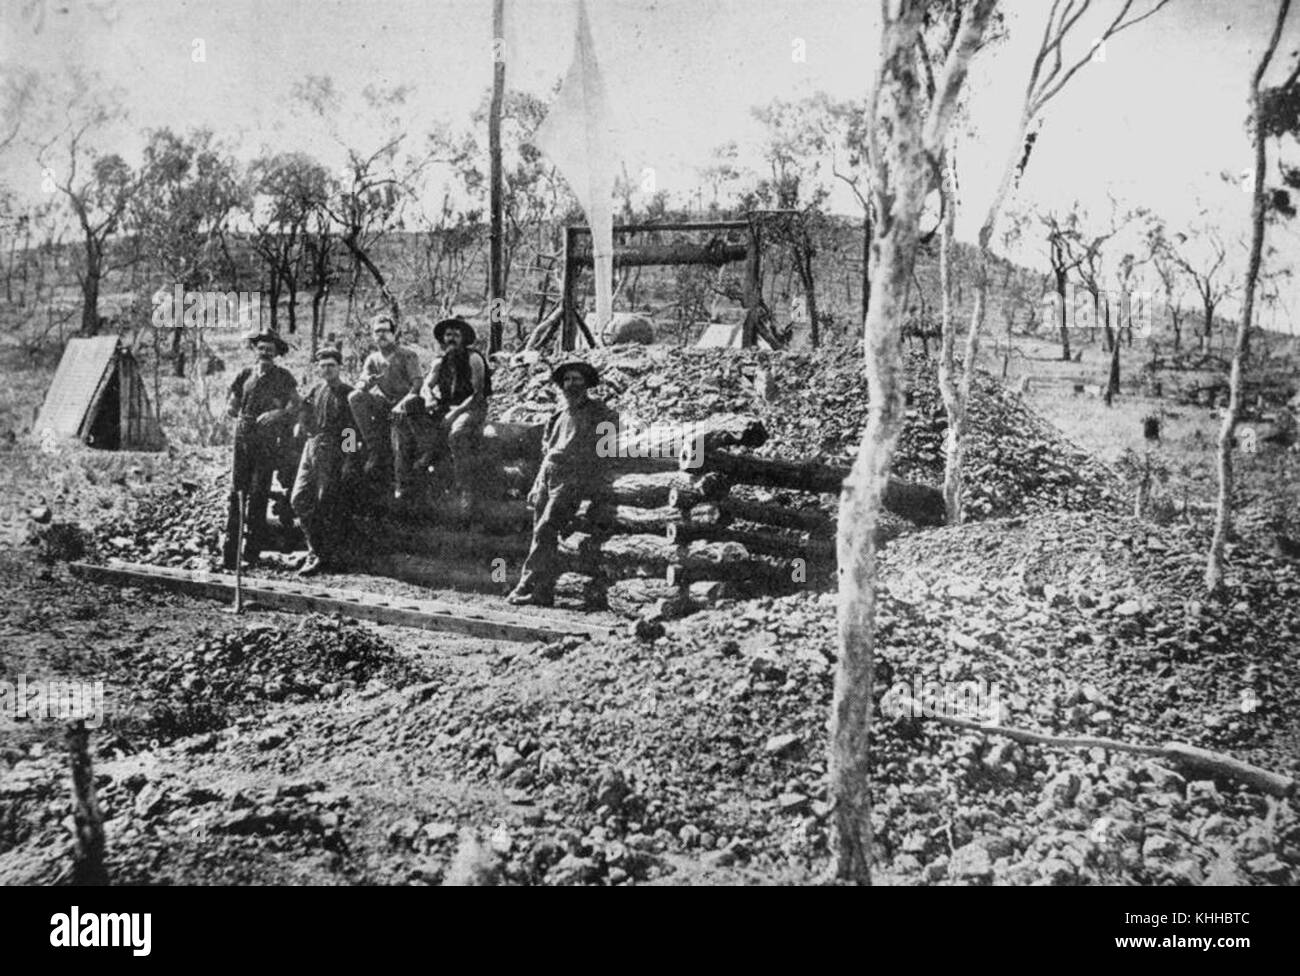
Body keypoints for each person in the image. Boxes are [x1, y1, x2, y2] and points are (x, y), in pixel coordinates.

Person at [507, 361, 618, 607]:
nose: (571, 385)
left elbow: (607, 450)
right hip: (549, 474)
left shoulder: (601, 413)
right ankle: (541, 592)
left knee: (547, 528)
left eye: (577, 379)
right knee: (539, 530)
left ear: (587, 383)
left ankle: (528, 584)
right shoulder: (557, 416)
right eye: (567, 380)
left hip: (574, 476)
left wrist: (586, 477)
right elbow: (547, 453)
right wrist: (537, 484)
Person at [224, 330, 300, 569]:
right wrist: (236, 413)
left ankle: (252, 552)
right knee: (237, 493)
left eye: (270, 349)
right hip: (243, 438)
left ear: (277, 353)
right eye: (261, 348)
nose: (265, 353)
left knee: (258, 494)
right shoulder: (245, 374)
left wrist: (278, 414)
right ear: (255, 350)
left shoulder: (283, 377)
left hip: (266, 442)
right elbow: (232, 403)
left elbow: (296, 405)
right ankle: (230, 554)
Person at [407, 316, 491, 503]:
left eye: (456, 335)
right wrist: (428, 396)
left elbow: (478, 394)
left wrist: (454, 413)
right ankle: (430, 449)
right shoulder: (440, 361)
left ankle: (465, 490)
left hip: (471, 407)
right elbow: (427, 385)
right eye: (448, 335)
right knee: (411, 404)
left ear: (464, 338)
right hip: (446, 406)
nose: (451, 339)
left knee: (457, 434)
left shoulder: (474, 358)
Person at [291, 348, 357, 576]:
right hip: (311, 446)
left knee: (325, 503)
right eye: (323, 365)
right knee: (299, 498)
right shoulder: (316, 390)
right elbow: (304, 409)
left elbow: (351, 429)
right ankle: (314, 550)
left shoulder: (347, 393)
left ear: (340, 367)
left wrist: (349, 458)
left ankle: (323, 556)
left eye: (331, 365)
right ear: (317, 369)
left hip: (333, 450)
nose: (327, 369)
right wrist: (300, 423)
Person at [347, 313, 422, 488]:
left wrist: (402, 404)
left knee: (397, 438)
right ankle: (374, 447)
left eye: (386, 331)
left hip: (407, 404)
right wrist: (366, 383)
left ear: (394, 334)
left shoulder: (407, 355)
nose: (381, 335)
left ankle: (400, 485)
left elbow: (418, 384)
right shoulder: (372, 359)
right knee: (354, 397)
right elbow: (360, 383)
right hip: (384, 404)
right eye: (377, 331)